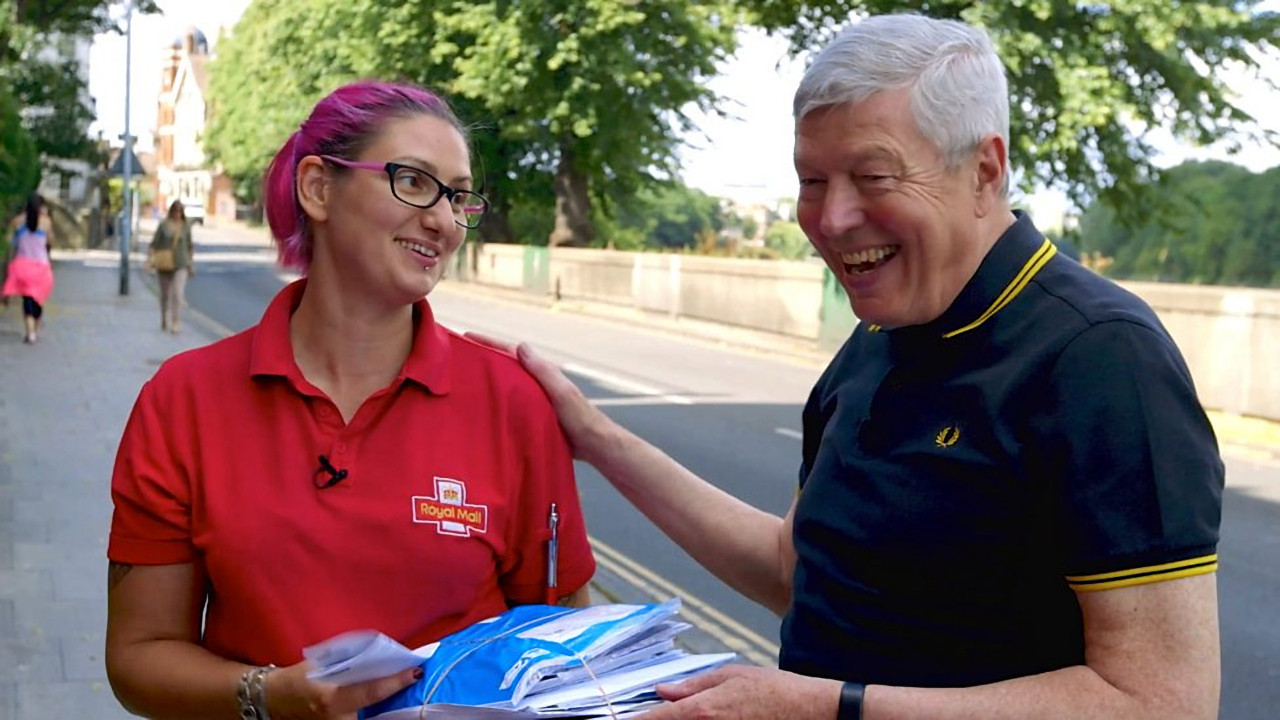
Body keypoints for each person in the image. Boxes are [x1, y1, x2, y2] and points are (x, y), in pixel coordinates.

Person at [486, 13, 1224, 720]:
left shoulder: (1100, 356)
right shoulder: (881, 334)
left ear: (984, 170)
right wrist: (597, 438)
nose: (832, 219)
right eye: (812, 181)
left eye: (874, 177)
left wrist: (827, 706)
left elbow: (1160, 702)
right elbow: (796, 573)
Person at [105, 81, 596, 720]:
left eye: (459, 197)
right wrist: (272, 696)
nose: (445, 221)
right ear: (317, 188)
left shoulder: (513, 403)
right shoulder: (183, 399)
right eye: (415, 182)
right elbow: (140, 655)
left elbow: (569, 653)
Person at [3, 193, 55, 344]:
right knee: (37, 298)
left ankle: (30, 333)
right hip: (41, 267)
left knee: (27, 299)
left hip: (22, 266)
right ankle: (36, 322)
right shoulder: (46, 222)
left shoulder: (17, 221)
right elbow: (49, 241)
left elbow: (10, 241)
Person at [147, 199, 195, 334]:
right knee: (165, 294)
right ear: (171, 212)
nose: (177, 214)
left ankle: (175, 322)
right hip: (164, 264)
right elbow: (154, 244)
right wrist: (150, 260)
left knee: (178, 294)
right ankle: (164, 318)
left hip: (181, 264)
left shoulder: (186, 226)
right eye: (175, 211)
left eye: (180, 212)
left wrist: (191, 264)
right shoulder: (163, 225)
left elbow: (190, 246)